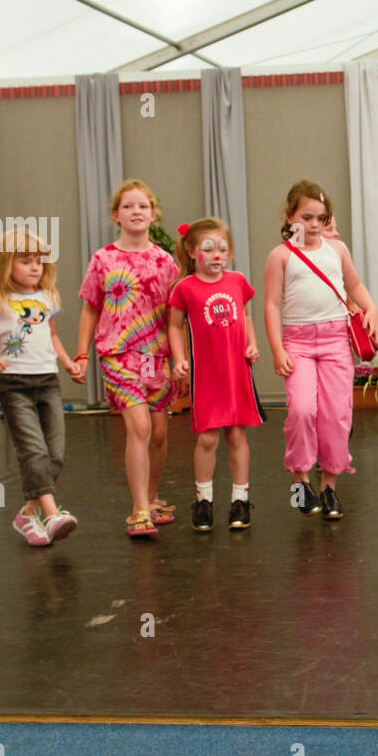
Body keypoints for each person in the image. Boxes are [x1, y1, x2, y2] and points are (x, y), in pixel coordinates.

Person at [263, 180, 378, 520]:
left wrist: (370, 308)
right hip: (297, 343)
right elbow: (271, 304)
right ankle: (300, 481)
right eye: (307, 217)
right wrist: (276, 348)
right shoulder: (280, 256)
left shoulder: (337, 250)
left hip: (334, 342)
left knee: (335, 415)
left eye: (321, 218)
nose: (314, 225)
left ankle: (329, 487)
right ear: (289, 217)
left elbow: (354, 284)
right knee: (301, 409)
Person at [0, 228, 84, 546]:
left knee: (55, 453)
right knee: (34, 450)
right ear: (6, 264)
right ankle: (52, 513)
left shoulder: (48, 297)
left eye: (39, 263)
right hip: (13, 383)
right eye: (26, 262)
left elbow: (52, 335)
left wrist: (68, 361)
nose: (35, 268)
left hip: (47, 380)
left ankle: (27, 514)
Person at [75, 179, 180, 537]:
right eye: (128, 206)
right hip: (118, 353)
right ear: (115, 215)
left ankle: (151, 497)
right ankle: (138, 511)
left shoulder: (165, 261)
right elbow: (91, 308)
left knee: (160, 432)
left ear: (153, 215)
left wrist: (180, 359)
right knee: (139, 427)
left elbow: (175, 317)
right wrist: (82, 354)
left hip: (156, 355)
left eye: (142, 206)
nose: (136, 211)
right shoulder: (103, 259)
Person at [168, 218, 262, 532]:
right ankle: (204, 500)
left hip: (236, 371)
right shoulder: (185, 288)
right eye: (208, 248)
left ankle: (240, 499)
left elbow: (246, 316)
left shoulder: (237, 281)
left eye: (223, 248)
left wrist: (253, 344)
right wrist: (179, 359)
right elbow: (174, 326)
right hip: (207, 374)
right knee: (208, 437)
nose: (217, 254)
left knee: (236, 435)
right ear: (193, 252)